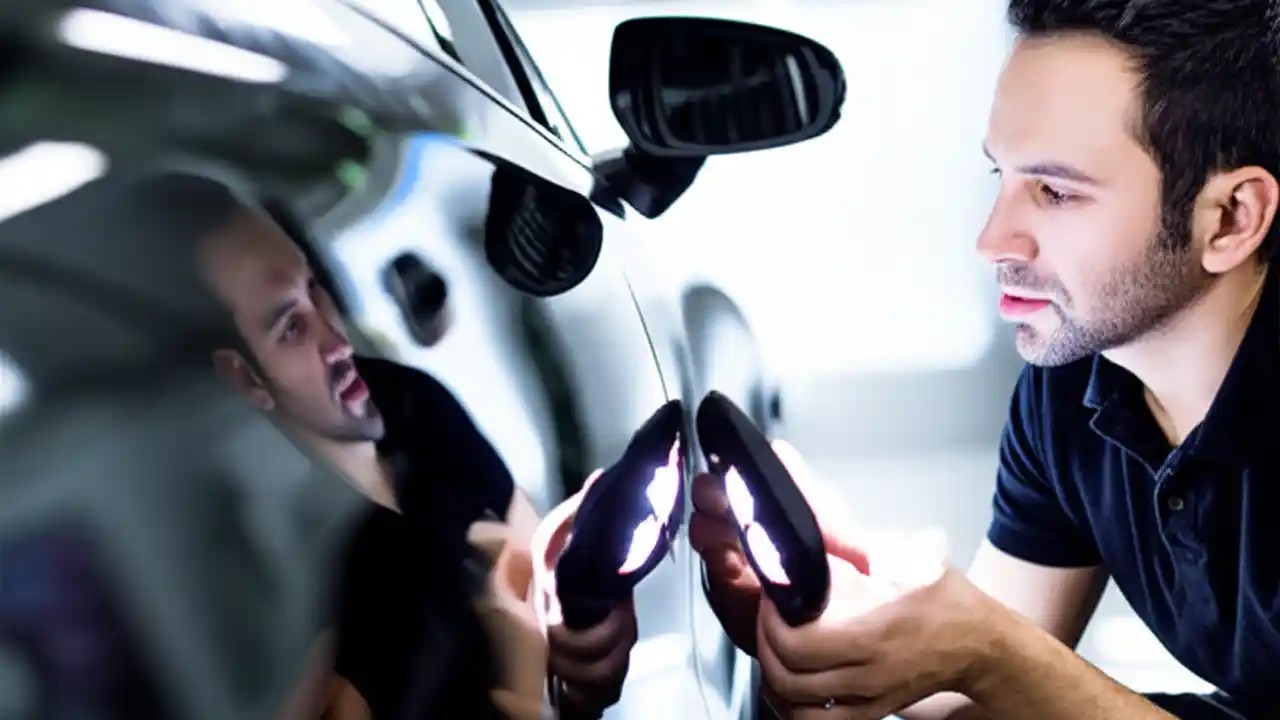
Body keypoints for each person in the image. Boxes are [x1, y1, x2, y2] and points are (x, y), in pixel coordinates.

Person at [691, 1, 1280, 718]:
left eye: (1055, 192)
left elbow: (1000, 659)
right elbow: (973, 700)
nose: (994, 240)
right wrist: (857, 614)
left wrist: (986, 646)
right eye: (999, 176)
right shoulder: (1071, 392)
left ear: (1231, 217)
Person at [192, 189, 635, 718]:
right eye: (291, 327)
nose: (336, 340)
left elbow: (530, 565)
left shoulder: (408, 401)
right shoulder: (276, 577)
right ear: (241, 377)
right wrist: (521, 674)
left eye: (316, 290)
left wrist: (575, 645)